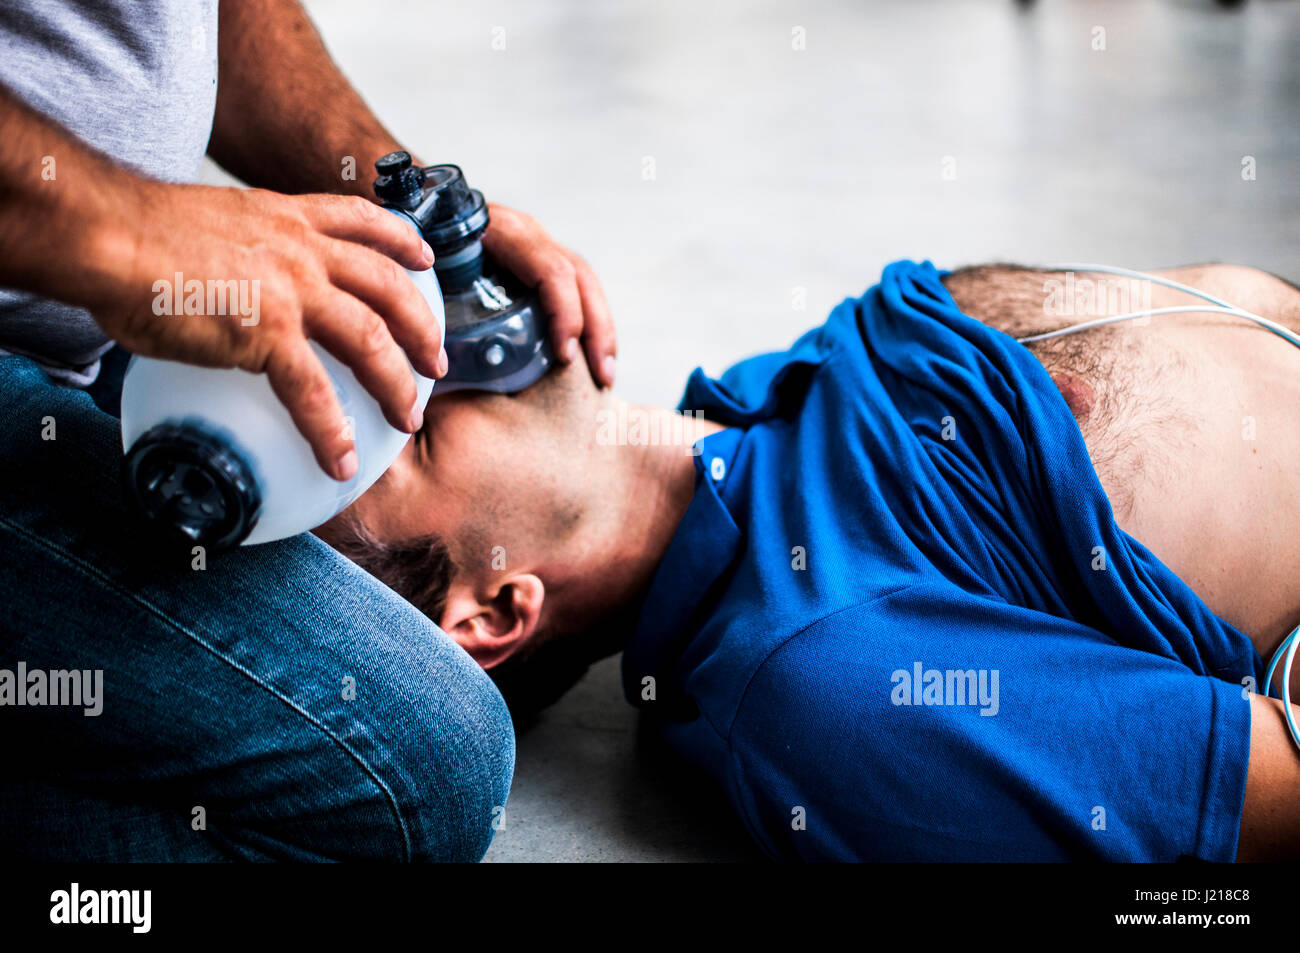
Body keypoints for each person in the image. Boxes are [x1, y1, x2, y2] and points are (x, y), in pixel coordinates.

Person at [320, 258, 1300, 862]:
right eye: (395, 437)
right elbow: (1260, 787)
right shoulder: (825, 680)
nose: (411, 361)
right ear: (491, 611)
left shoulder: (767, 394)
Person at [0, 0, 615, 860]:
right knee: (423, 773)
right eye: (409, 430)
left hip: (70, 338)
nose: (404, 359)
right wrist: (128, 234)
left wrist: (399, 201)